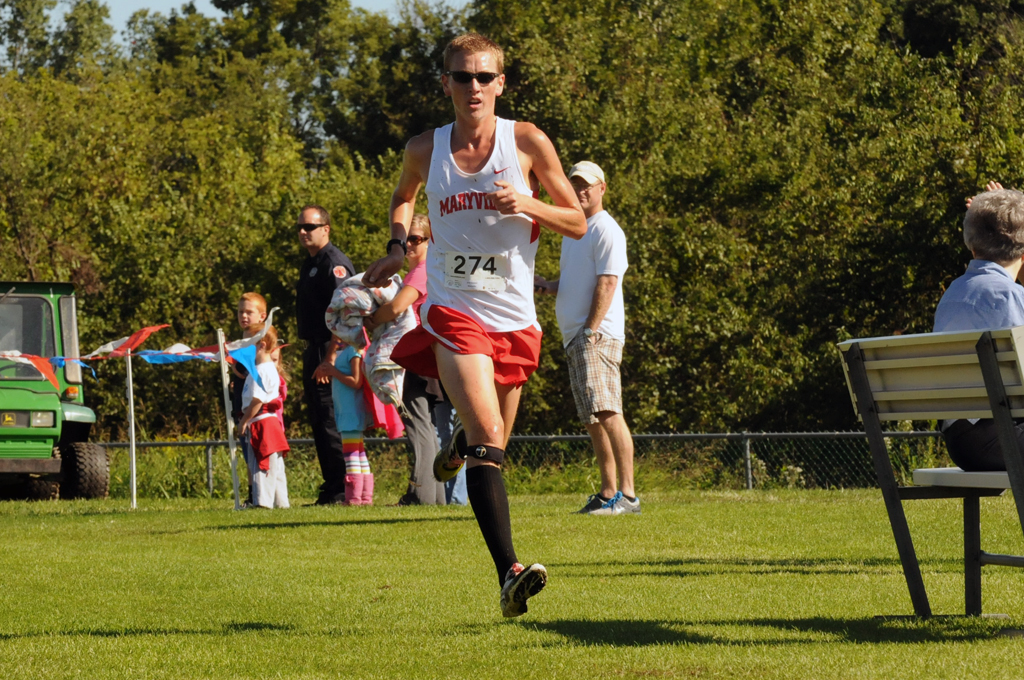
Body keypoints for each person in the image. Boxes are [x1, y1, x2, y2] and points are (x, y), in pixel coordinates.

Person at [361, 33, 587, 617]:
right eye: (462, 77)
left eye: (485, 77)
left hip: (515, 318)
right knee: (490, 439)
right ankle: (509, 572)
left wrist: (529, 204)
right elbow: (402, 196)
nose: (475, 87)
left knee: (494, 444)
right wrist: (395, 245)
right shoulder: (424, 148)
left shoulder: (527, 141)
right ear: (446, 85)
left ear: (501, 83)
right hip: (454, 312)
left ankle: (461, 443)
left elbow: (579, 222)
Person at [534, 161, 639, 515]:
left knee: (609, 413)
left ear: (602, 189)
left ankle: (628, 495)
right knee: (591, 419)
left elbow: (608, 281)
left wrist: (591, 330)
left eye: (587, 185)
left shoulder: (607, 230)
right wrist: (550, 287)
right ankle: (608, 491)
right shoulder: (575, 231)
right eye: (574, 184)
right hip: (577, 337)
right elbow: (579, 281)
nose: (580, 191)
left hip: (596, 337)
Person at [934, 184, 1024, 471]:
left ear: (971, 244)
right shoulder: (1010, 296)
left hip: (962, 441)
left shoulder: (954, 293)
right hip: (1002, 438)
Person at [366, 214, 447, 505]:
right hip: (428, 354)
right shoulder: (430, 269)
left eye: (416, 239)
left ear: (430, 241)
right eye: (404, 240)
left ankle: (420, 495)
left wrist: (373, 319)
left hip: (417, 355)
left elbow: (398, 307)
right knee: (426, 427)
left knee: (417, 426)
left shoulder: (421, 271)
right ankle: (434, 497)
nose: (409, 245)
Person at [295, 204, 357, 505]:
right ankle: (331, 484)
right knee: (320, 419)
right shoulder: (310, 263)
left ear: (326, 229)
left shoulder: (334, 263)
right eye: (300, 228)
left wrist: (330, 357)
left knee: (331, 417)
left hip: (331, 348)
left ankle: (342, 488)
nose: (304, 232)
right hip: (314, 347)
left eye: (310, 227)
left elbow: (346, 313)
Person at [238, 323, 290, 508]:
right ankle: (280, 503)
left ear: (261, 345)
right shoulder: (261, 369)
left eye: (248, 344)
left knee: (263, 464)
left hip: (262, 423)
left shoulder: (262, 370)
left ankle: (262, 504)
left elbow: (257, 400)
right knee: (275, 469)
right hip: (266, 423)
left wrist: (244, 421)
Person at [324, 340, 374, 505]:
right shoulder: (347, 350)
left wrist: (333, 371)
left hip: (350, 411)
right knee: (359, 453)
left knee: (351, 454)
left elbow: (356, 381)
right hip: (348, 411)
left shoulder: (353, 350)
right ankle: (365, 497)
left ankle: (353, 497)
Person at [231, 292, 268, 504]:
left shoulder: (263, 339)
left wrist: (241, 372)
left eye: (249, 312)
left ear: (262, 316)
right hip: (241, 401)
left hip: (257, 406)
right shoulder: (241, 341)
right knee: (247, 452)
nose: (243, 316)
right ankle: (252, 493)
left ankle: (261, 494)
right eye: (240, 312)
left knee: (258, 451)